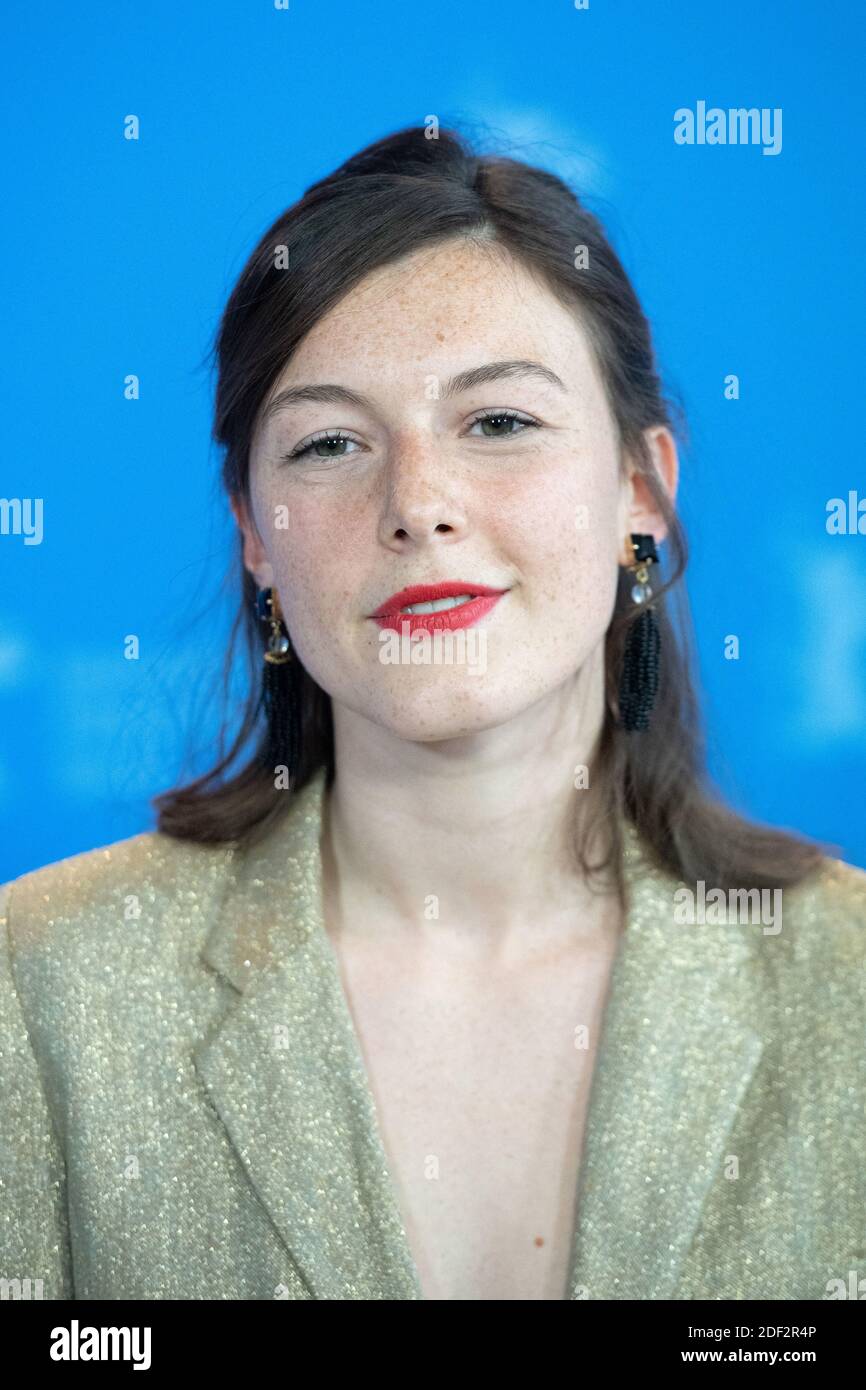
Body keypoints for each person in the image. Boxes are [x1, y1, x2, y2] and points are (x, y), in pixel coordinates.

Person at [1, 125, 864, 1303]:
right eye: (329, 443)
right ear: (255, 535)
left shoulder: (845, 980)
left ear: (640, 489)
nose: (417, 505)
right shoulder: (41, 985)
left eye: (497, 422)